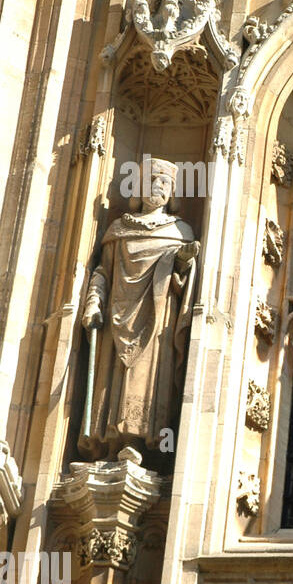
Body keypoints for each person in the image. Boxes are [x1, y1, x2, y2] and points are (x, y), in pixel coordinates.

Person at [80, 159, 199, 460]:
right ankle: (111, 444)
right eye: (150, 181)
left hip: (157, 320)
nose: (156, 187)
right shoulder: (118, 230)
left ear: (172, 193)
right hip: (116, 319)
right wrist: (94, 302)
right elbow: (102, 273)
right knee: (113, 378)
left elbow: (182, 280)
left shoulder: (179, 231)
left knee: (146, 379)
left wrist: (182, 262)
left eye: (163, 183)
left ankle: (137, 444)